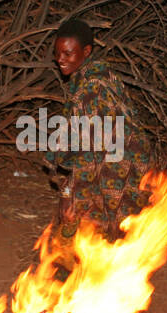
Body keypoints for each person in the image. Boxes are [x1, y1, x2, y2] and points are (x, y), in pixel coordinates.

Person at [48, 18, 152, 242]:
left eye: (68, 54)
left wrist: (69, 196)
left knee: (93, 227)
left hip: (119, 167)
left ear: (86, 51)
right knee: (97, 227)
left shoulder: (91, 89)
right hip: (117, 160)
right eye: (57, 53)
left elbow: (85, 157)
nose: (60, 60)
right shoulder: (97, 74)